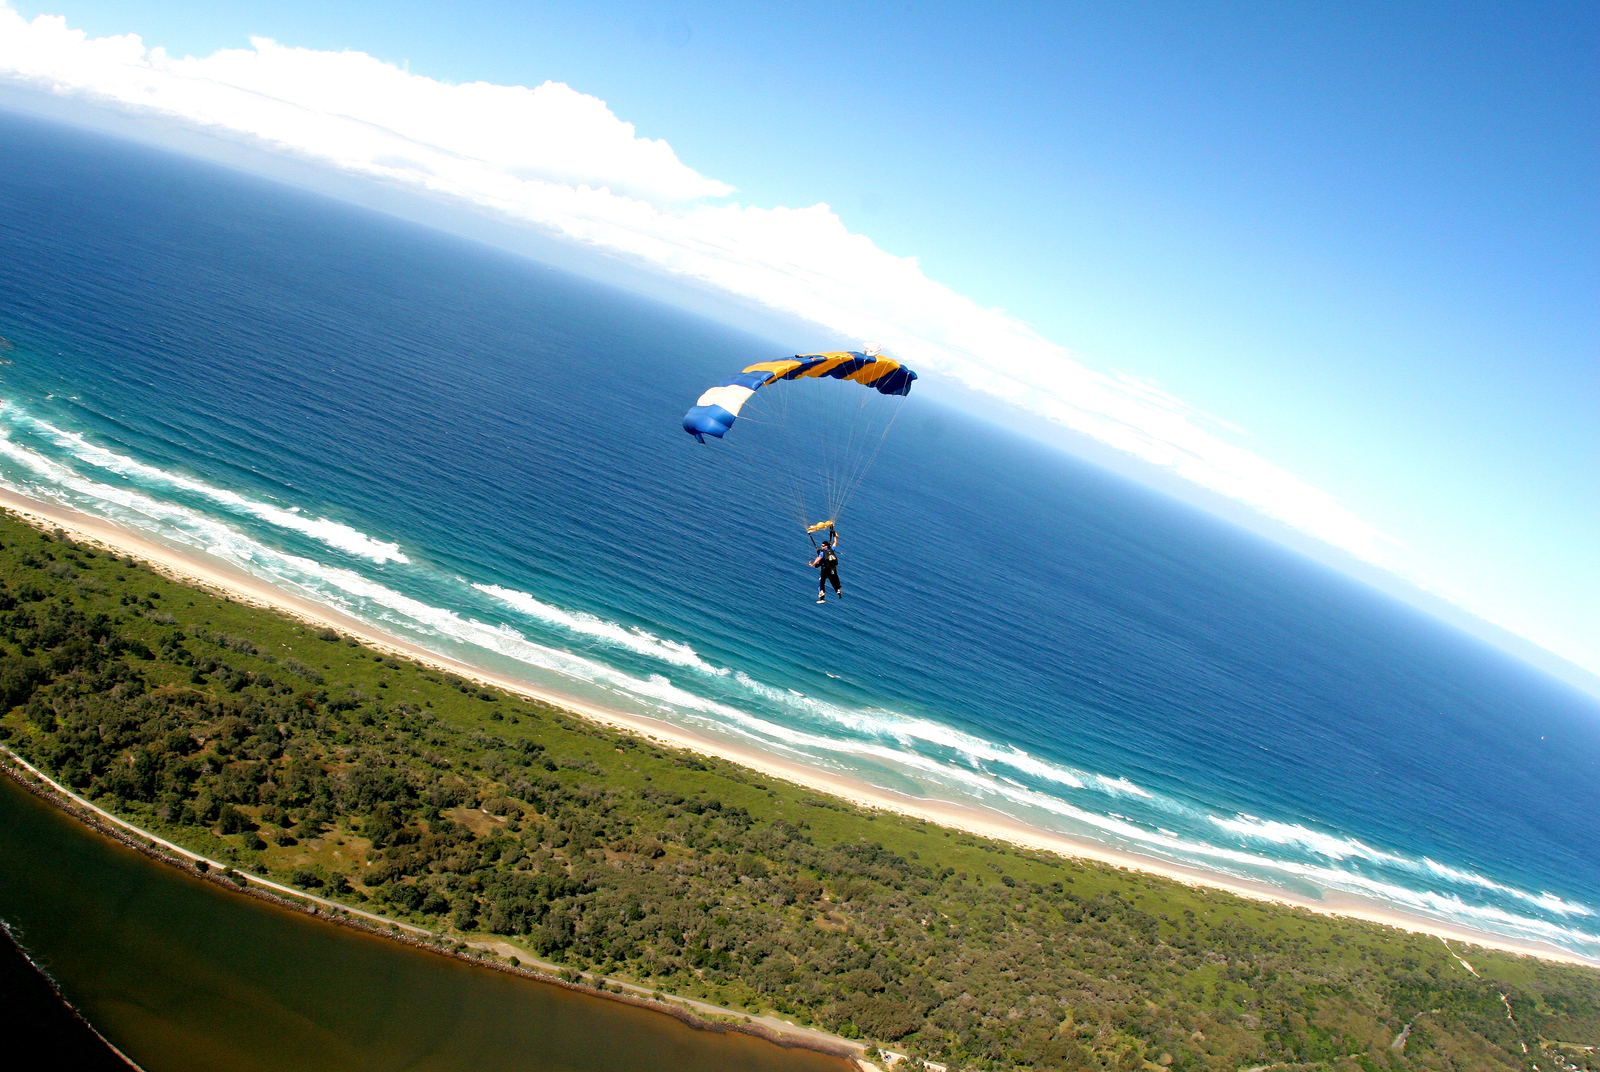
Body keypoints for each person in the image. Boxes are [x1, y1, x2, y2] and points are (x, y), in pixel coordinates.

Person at [811, 528, 841, 603]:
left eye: (823, 546)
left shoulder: (823, 552)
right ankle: (838, 590)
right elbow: (835, 543)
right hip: (833, 569)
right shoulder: (831, 550)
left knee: (821, 581)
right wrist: (835, 536)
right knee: (833, 581)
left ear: (826, 546)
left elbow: (819, 558)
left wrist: (813, 564)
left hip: (825, 570)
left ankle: (822, 595)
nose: (821, 547)